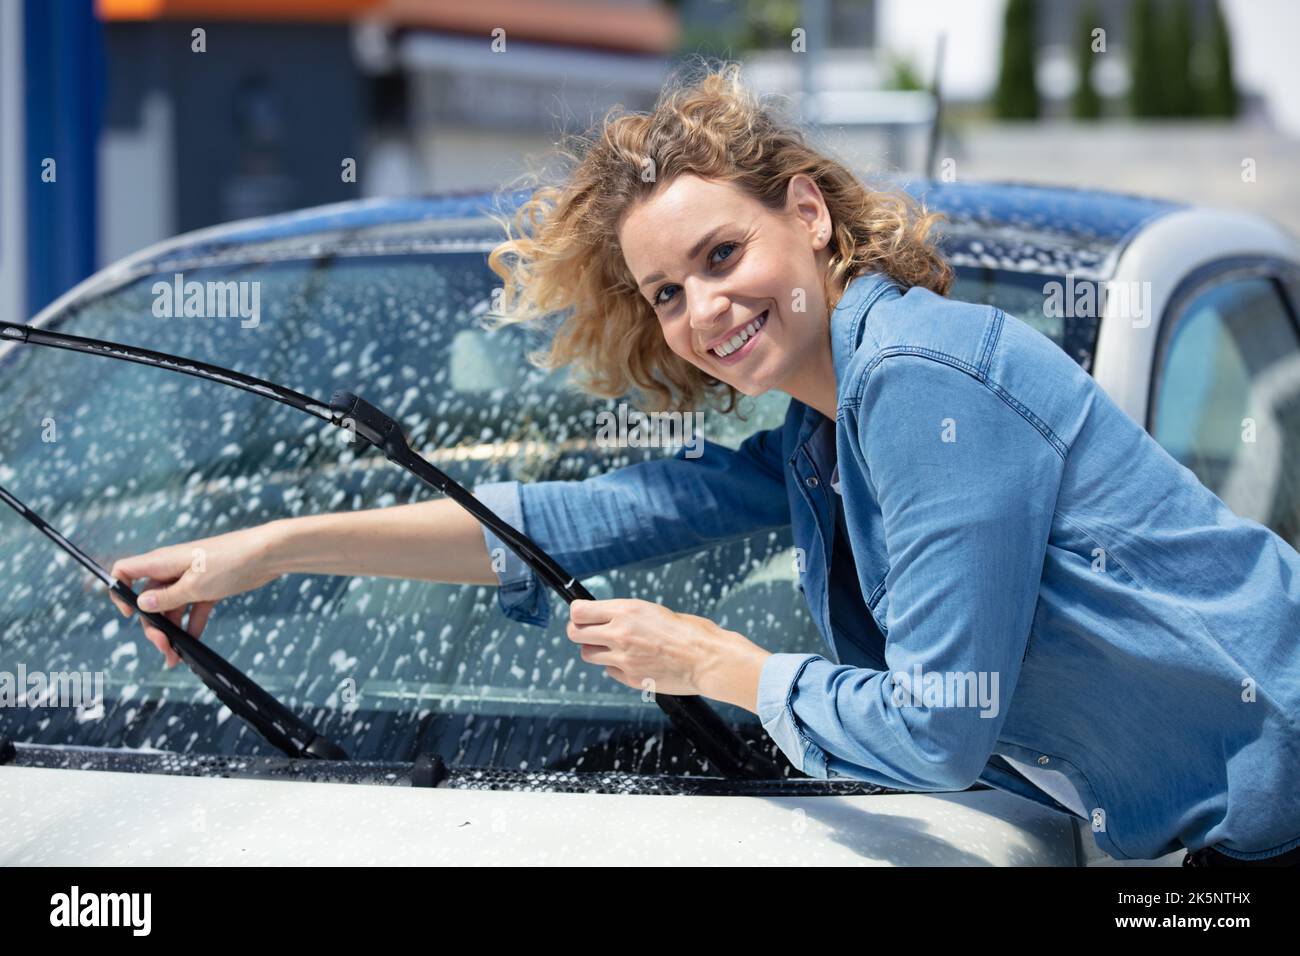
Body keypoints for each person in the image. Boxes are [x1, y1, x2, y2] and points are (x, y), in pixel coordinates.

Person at [105, 61, 1300, 867]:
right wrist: (271, 545)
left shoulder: (920, 381)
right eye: (668, 291)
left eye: (724, 253)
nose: (702, 308)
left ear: (811, 215)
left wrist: (719, 664)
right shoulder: (822, 434)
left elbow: (940, 730)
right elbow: (584, 517)